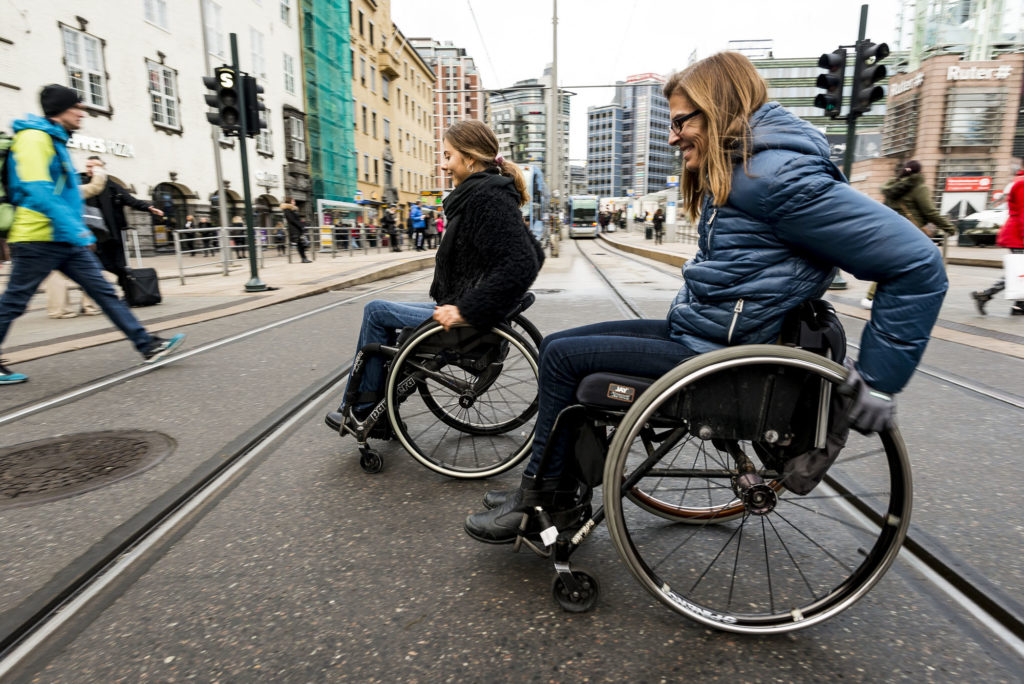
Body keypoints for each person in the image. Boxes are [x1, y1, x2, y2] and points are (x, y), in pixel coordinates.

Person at [464, 52, 948, 544]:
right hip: (707, 336)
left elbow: (917, 263)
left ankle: (542, 499)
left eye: (679, 122)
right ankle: (555, 491)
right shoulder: (747, 169)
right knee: (556, 347)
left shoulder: (776, 179)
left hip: (722, 357)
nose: (673, 136)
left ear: (717, 109)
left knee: (566, 358)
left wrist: (883, 380)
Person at [324, 119, 545, 434]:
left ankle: (363, 411)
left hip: (467, 323)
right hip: (467, 314)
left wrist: (465, 310)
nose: (443, 165)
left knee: (375, 311)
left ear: (470, 159)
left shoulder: (486, 197)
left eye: (448, 156)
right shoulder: (486, 194)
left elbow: (524, 262)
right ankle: (381, 412)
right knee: (398, 333)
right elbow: (534, 254)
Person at [0, 84, 186, 385]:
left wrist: (75, 230)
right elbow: (37, 190)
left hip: (64, 238)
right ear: (62, 109)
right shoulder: (34, 138)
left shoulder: (54, 139)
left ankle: (148, 345)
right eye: (78, 107)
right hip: (36, 238)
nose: (82, 112)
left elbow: (67, 192)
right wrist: (76, 228)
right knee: (15, 302)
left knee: (105, 293)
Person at [858, 161, 955, 309]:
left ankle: (872, 297)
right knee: (920, 264)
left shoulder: (892, 186)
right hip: (911, 234)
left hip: (890, 230)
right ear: (919, 172)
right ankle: (915, 298)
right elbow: (929, 211)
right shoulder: (919, 187)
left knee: (890, 265)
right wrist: (949, 227)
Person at [82, 156, 164, 296]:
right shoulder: (83, 184)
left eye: (94, 166)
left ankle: (130, 293)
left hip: (113, 234)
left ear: (102, 168)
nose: (90, 169)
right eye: (88, 166)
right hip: (93, 235)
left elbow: (131, 200)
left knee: (119, 266)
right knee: (99, 265)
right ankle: (114, 291)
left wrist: (149, 208)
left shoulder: (112, 185)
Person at [45, 161, 109, 318]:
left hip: (48, 235)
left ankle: (59, 309)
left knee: (55, 273)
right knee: (90, 269)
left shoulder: (43, 189)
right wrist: (99, 171)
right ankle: (90, 306)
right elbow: (95, 187)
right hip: (71, 234)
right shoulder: (70, 191)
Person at [972, 165, 1024, 316]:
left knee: (1019, 271)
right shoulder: (1022, 183)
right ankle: (986, 295)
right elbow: (1022, 212)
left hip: (1018, 233)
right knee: (1018, 270)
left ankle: (1019, 305)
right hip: (1018, 235)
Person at [282, 197, 310, 262]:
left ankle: (304, 258)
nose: (294, 202)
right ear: (289, 202)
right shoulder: (287, 210)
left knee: (302, 244)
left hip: (298, 228)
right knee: (300, 244)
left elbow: (297, 219)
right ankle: (303, 258)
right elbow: (292, 220)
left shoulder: (293, 210)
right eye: (293, 201)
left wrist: (303, 223)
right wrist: (301, 224)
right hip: (294, 230)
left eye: (294, 201)